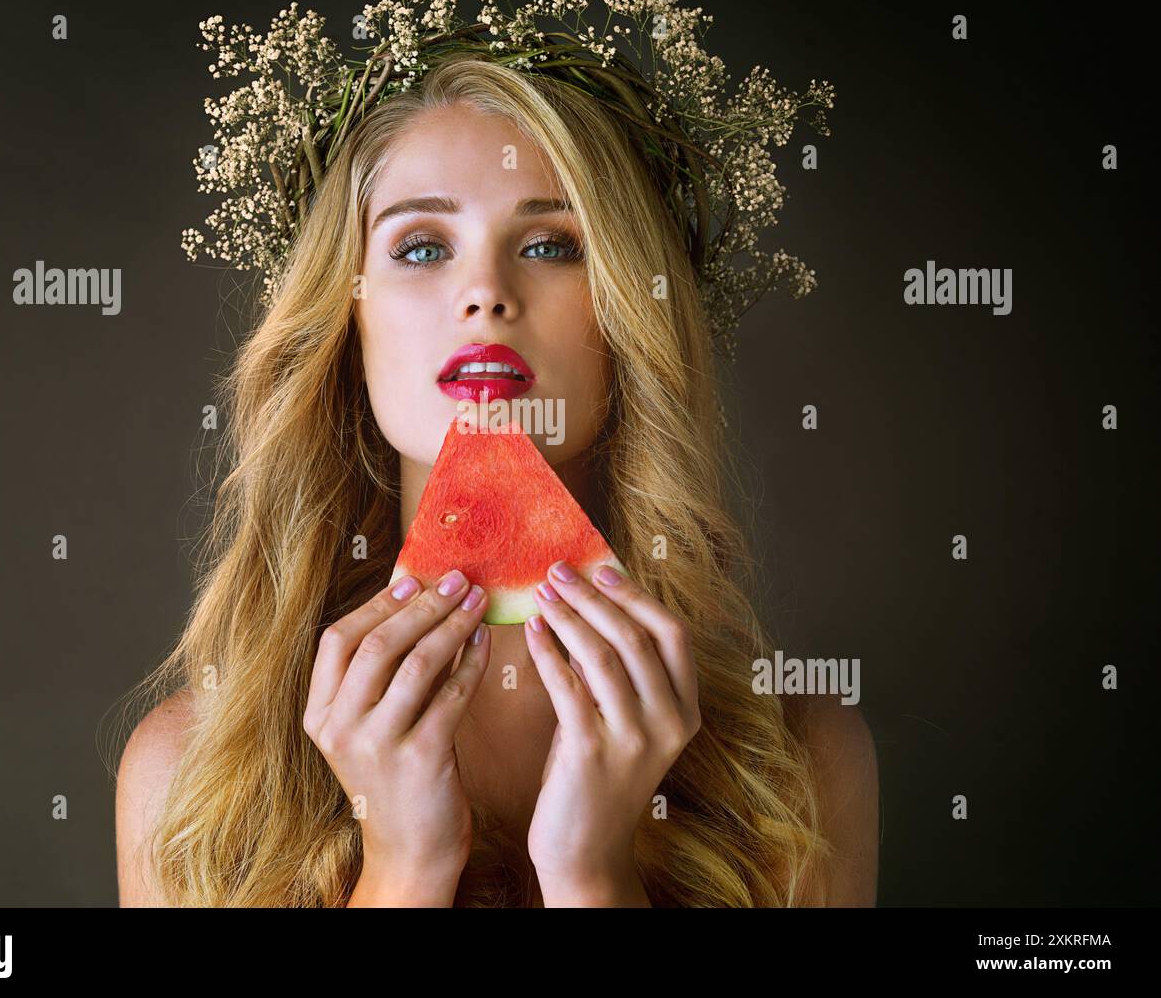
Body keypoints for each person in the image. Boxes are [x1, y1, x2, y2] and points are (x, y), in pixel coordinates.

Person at [115, 53, 878, 907]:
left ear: (629, 310)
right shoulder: (186, 777)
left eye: (551, 244)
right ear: (347, 317)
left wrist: (591, 871)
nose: (484, 293)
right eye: (422, 245)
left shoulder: (797, 761)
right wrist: (404, 867)